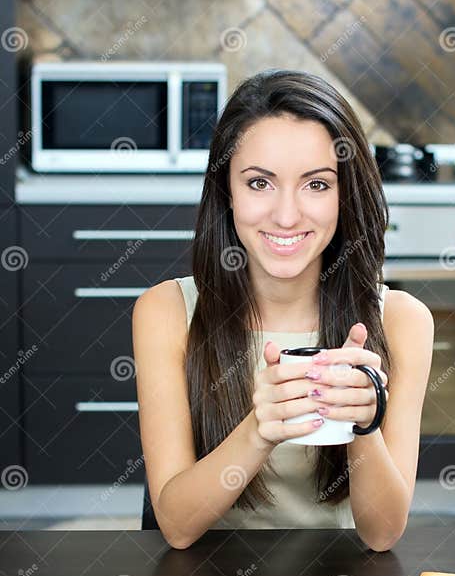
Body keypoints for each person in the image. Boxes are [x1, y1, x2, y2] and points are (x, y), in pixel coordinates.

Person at [132, 69, 434, 550]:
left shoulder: (402, 320)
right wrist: (259, 430)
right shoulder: (166, 311)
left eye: (316, 185)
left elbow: (381, 535)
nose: (287, 215)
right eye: (259, 183)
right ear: (226, 190)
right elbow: (177, 526)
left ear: (344, 194)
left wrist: (364, 424)